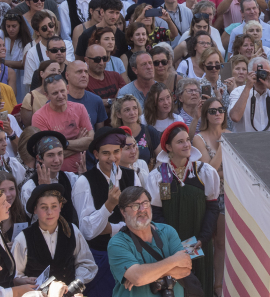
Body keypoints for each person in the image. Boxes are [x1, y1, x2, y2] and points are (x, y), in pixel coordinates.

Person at [145, 122, 219, 296]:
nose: (186, 145)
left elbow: (212, 208)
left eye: (187, 140)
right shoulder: (158, 176)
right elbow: (156, 214)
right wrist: (172, 244)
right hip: (170, 245)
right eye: (180, 142)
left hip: (199, 242)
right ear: (169, 147)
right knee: (176, 286)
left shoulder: (204, 172)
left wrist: (202, 239)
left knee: (199, 285)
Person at [72, 127, 142, 297]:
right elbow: (88, 231)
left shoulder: (131, 176)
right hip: (101, 258)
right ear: (96, 154)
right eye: (106, 153)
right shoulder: (84, 182)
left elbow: (140, 218)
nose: (112, 158)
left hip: (130, 254)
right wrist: (109, 205)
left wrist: (111, 228)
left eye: (116, 152)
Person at [106, 186, 194, 297]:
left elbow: (185, 269)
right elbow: (138, 278)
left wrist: (145, 275)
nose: (142, 209)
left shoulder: (168, 231)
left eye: (145, 203)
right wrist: (174, 260)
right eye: (135, 206)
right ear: (123, 212)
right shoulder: (117, 243)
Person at [10, 184, 97, 286]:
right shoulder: (23, 238)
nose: (50, 212)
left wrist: (77, 281)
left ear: (60, 206)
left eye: (54, 206)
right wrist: (25, 282)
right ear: (35, 209)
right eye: (44, 207)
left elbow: (86, 263)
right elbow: (15, 275)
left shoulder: (72, 231)